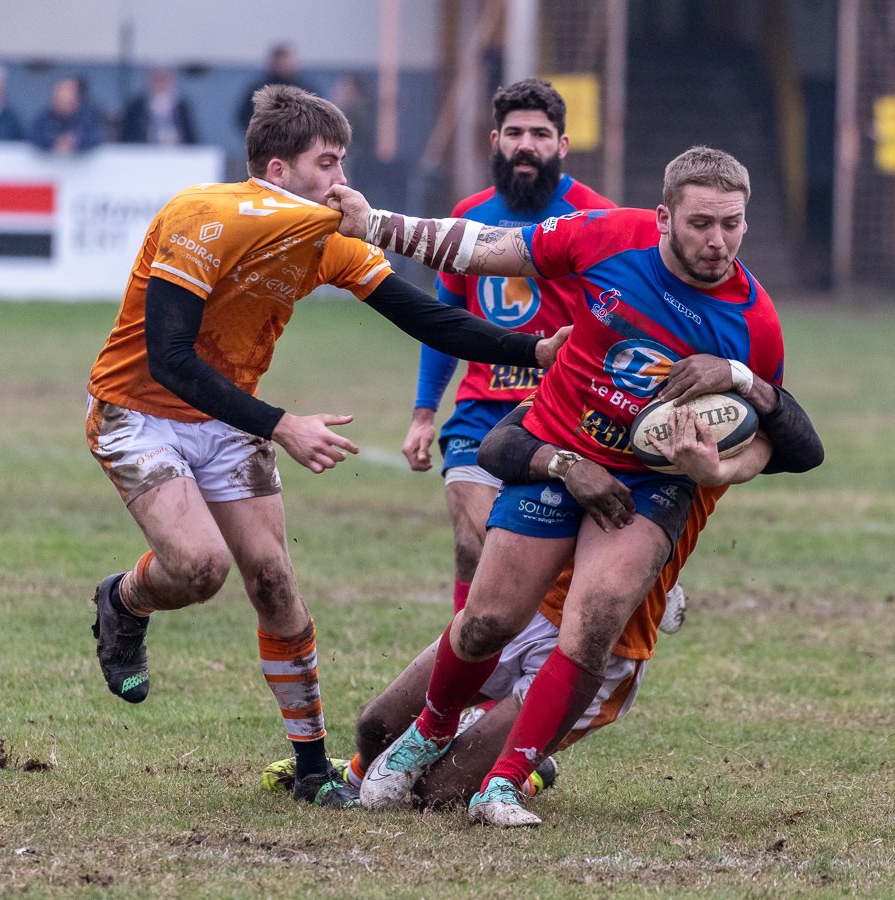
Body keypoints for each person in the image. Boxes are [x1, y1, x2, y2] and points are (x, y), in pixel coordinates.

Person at [84, 84, 566, 810]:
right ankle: (124, 600)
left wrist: (537, 352)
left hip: (227, 417)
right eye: (327, 163)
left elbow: (427, 318)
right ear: (278, 171)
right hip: (139, 412)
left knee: (273, 581)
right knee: (199, 568)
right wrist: (281, 423)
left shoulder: (329, 239)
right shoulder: (203, 216)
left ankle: (312, 769)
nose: (342, 179)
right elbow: (170, 358)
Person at [326, 144, 790, 828]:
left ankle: (508, 782)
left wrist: (727, 429)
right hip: (561, 471)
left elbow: (782, 435)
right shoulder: (606, 240)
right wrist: (375, 226)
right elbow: (486, 247)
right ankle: (415, 737)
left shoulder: (753, 324)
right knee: (466, 638)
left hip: (644, 498)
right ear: (663, 218)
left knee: (590, 630)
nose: (718, 241)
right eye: (700, 224)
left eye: (732, 224)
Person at [400, 77, 616, 620]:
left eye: (540, 134)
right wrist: (424, 413)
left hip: (568, 413)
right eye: (514, 132)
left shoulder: (597, 220)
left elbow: (624, 324)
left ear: (562, 146)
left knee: (546, 562)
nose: (526, 145)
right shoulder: (468, 217)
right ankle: (470, 692)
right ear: (494, 140)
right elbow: (443, 322)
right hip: (480, 414)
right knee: (473, 545)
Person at [237, 42, 317, 131]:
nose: (284, 64)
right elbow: (243, 117)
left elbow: (318, 118)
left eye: (287, 59)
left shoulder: (307, 89)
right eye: (281, 60)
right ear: (272, 62)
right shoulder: (259, 89)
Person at [118, 68, 199, 146]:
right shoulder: (136, 107)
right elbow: (127, 138)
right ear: (148, 81)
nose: (160, 84)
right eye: (156, 79)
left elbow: (192, 139)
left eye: (164, 79)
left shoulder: (182, 107)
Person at [29, 76, 105, 153]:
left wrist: (76, 142)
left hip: (81, 162)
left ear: (76, 102)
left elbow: (96, 137)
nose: (64, 106)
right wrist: (52, 142)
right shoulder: (43, 118)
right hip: (45, 162)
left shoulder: (86, 118)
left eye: (68, 102)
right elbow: (33, 136)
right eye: (60, 102)